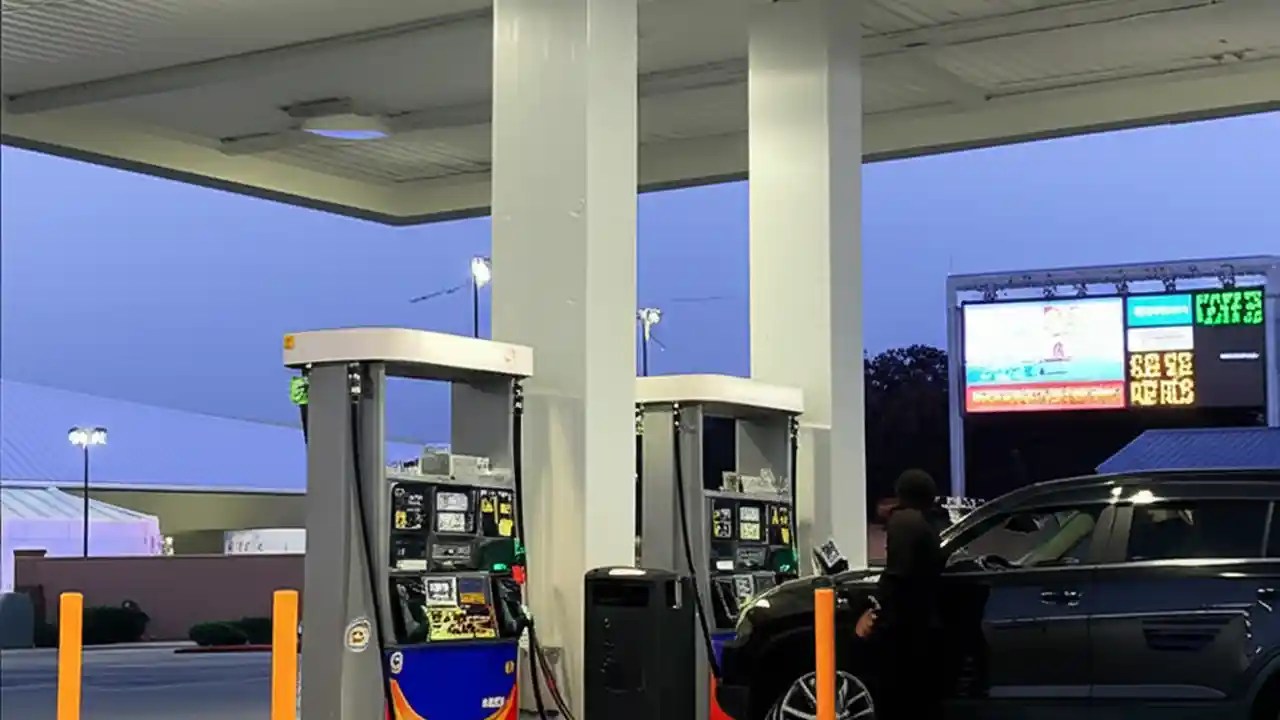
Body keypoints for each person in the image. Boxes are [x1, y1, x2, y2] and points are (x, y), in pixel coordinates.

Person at [860, 469, 947, 719]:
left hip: (903, 627)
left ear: (901, 493)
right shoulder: (928, 524)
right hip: (924, 624)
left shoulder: (904, 523)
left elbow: (897, 574)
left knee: (896, 696)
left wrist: (873, 609)